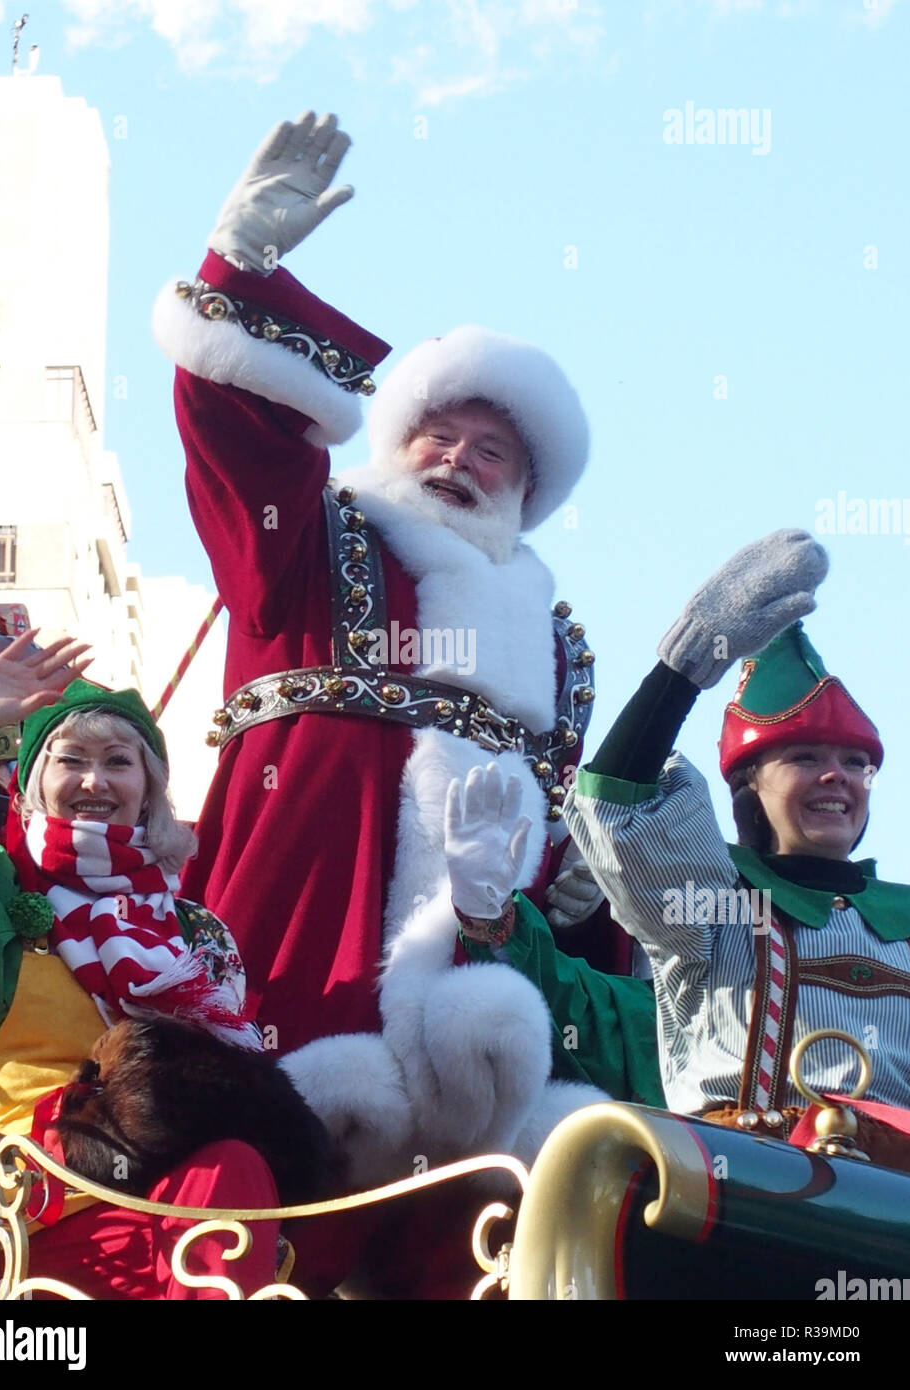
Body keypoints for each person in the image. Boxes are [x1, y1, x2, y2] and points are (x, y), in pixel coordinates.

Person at [155, 110, 607, 1163]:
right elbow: (236, 434)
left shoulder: (559, 647)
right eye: (438, 434)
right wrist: (242, 265)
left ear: (526, 488)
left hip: (471, 971)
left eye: (492, 450)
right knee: (244, 1161)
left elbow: (574, 877)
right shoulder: (320, 539)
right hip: (296, 914)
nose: (459, 457)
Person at [0, 632, 295, 1299]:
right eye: (70, 759)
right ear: (33, 784)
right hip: (26, 1211)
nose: (95, 780)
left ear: (148, 790)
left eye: (119, 762)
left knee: (236, 1169)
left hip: (181, 1197)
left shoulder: (199, 933)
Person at [554, 529, 910, 1144]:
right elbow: (616, 799)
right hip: (743, 1198)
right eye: (804, 757)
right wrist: (683, 670)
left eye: (856, 763)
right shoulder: (713, 907)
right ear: (748, 786)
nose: (837, 776)